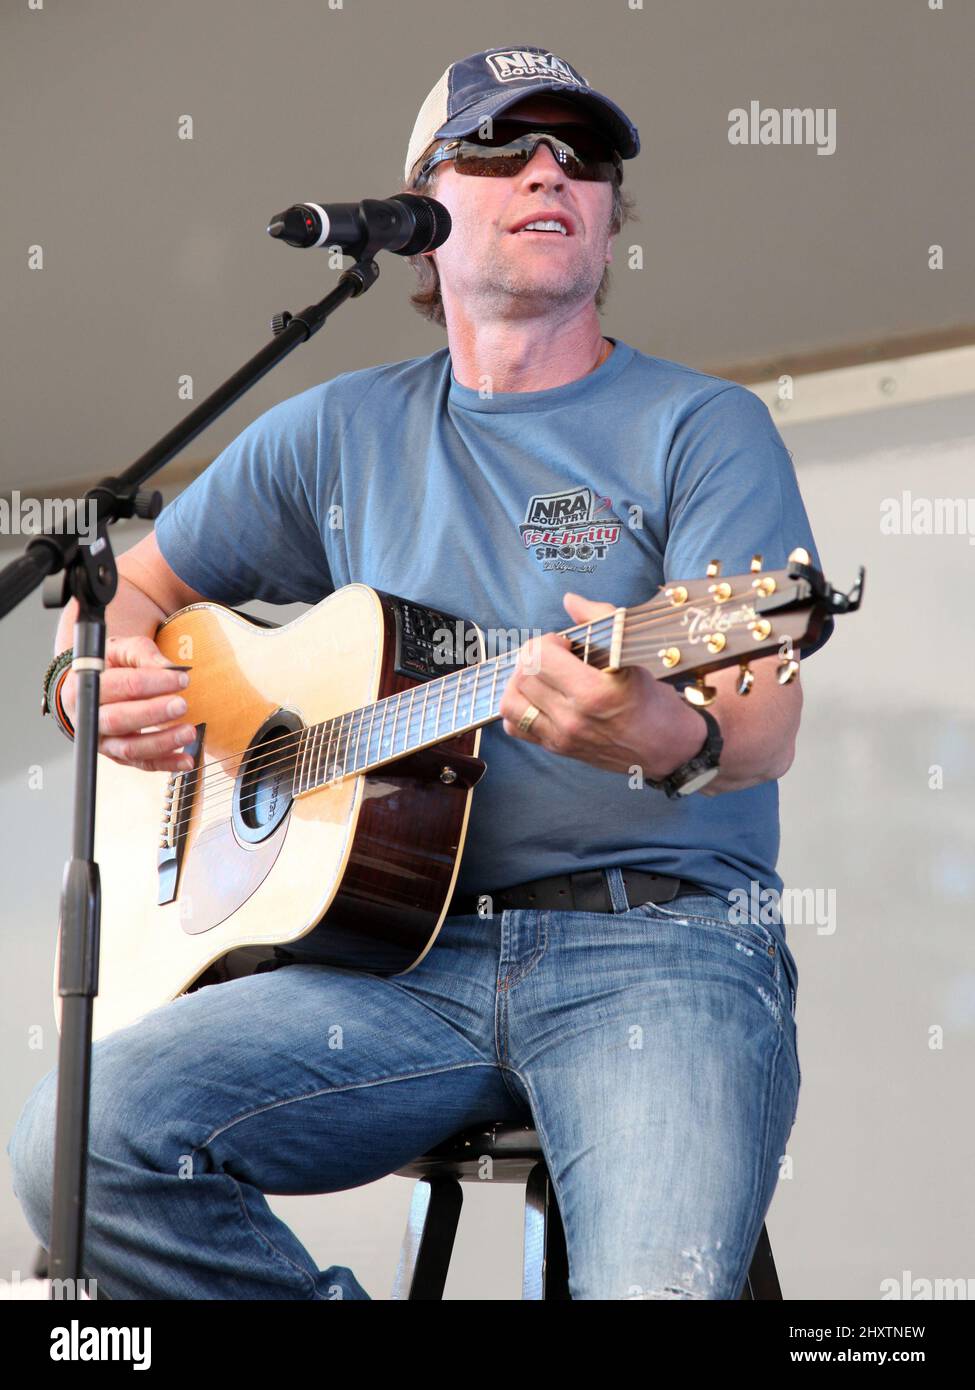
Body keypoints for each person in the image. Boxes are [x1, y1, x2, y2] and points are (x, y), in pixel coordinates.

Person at [10, 44, 832, 1300]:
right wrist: (89, 682)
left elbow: (763, 720)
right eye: (505, 146)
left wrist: (661, 734)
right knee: (78, 1144)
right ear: (422, 215)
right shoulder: (335, 432)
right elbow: (127, 592)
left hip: (659, 946)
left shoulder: (700, 425)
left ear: (611, 215)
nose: (550, 168)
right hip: (399, 966)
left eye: (584, 154)